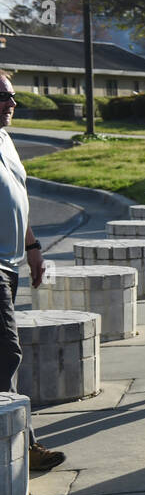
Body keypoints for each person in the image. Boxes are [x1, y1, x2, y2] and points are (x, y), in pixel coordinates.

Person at [0, 69, 66, 473]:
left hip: (10, 263)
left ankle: (20, 445)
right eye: (3, 96)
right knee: (8, 352)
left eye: (12, 96)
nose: (12, 103)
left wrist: (33, 247)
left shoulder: (6, 140)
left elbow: (17, 197)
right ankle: (20, 447)